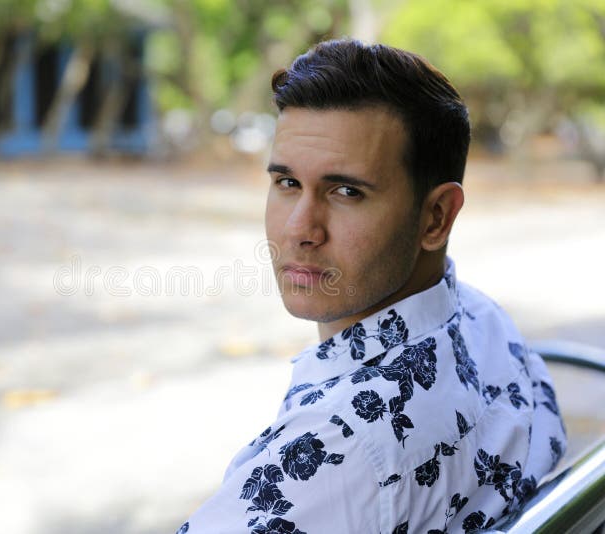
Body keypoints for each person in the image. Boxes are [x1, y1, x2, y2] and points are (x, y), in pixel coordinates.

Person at [176, 39, 566, 534]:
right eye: (287, 183)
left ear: (436, 217)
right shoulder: (483, 321)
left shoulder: (343, 445)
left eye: (346, 191)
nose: (300, 229)